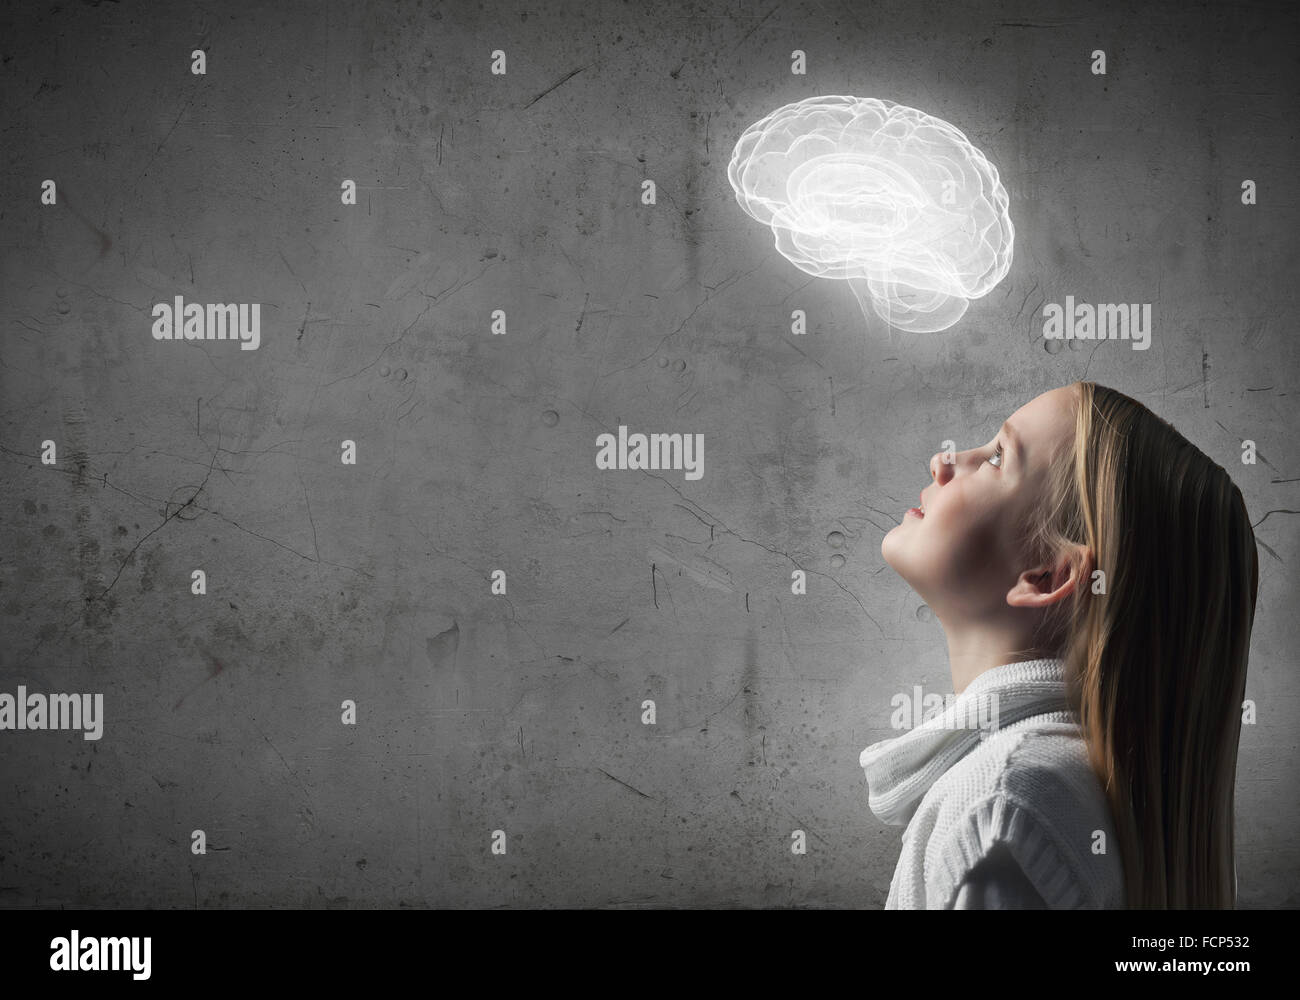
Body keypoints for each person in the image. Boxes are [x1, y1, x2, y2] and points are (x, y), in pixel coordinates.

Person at [860, 381, 1258, 908]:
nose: (945, 459)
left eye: (999, 456)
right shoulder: (1072, 787)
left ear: (1047, 576)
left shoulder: (1004, 810)